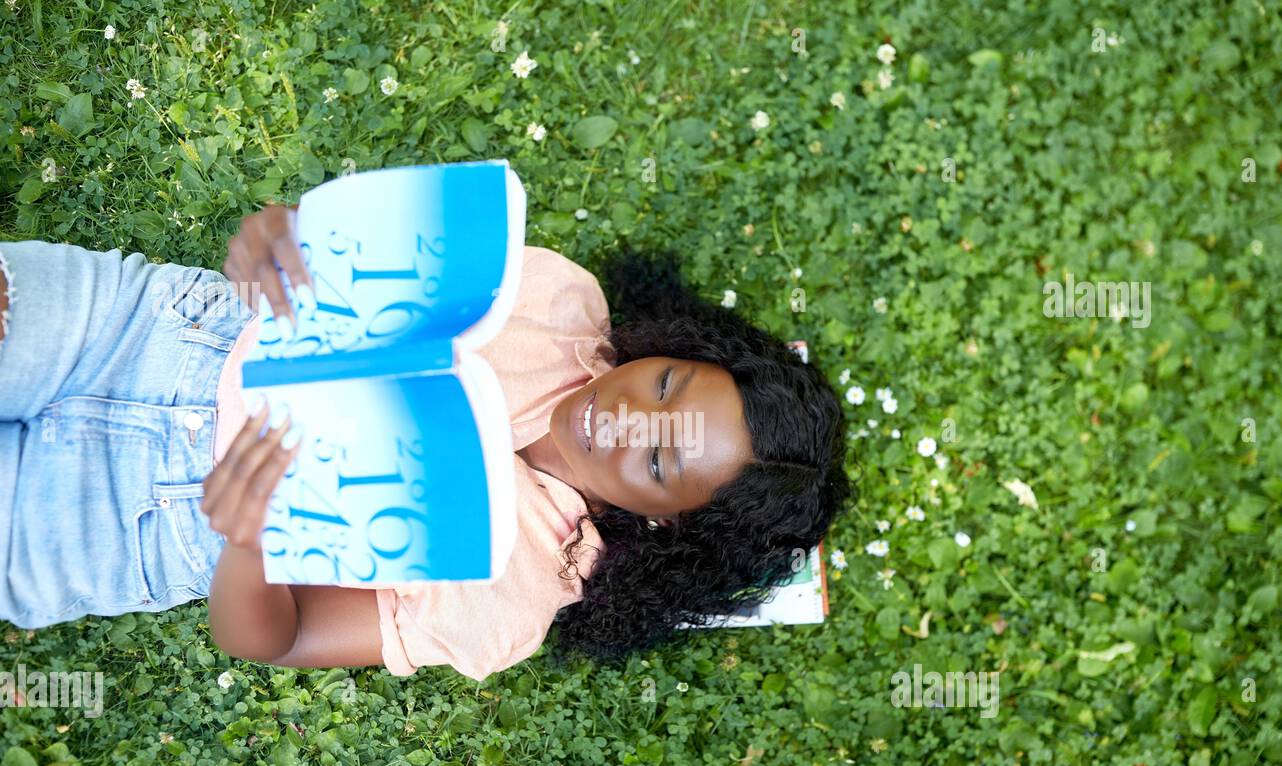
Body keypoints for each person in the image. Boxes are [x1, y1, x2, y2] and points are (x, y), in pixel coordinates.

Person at [0, 204, 848, 679]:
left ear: (668, 524)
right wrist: (282, 244)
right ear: (679, 350)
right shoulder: (556, 303)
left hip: (128, 527)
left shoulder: (514, 599)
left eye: (658, 462)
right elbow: (339, 269)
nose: (624, 417)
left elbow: (277, 638)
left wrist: (247, 541)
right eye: (665, 386)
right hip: (142, 329)